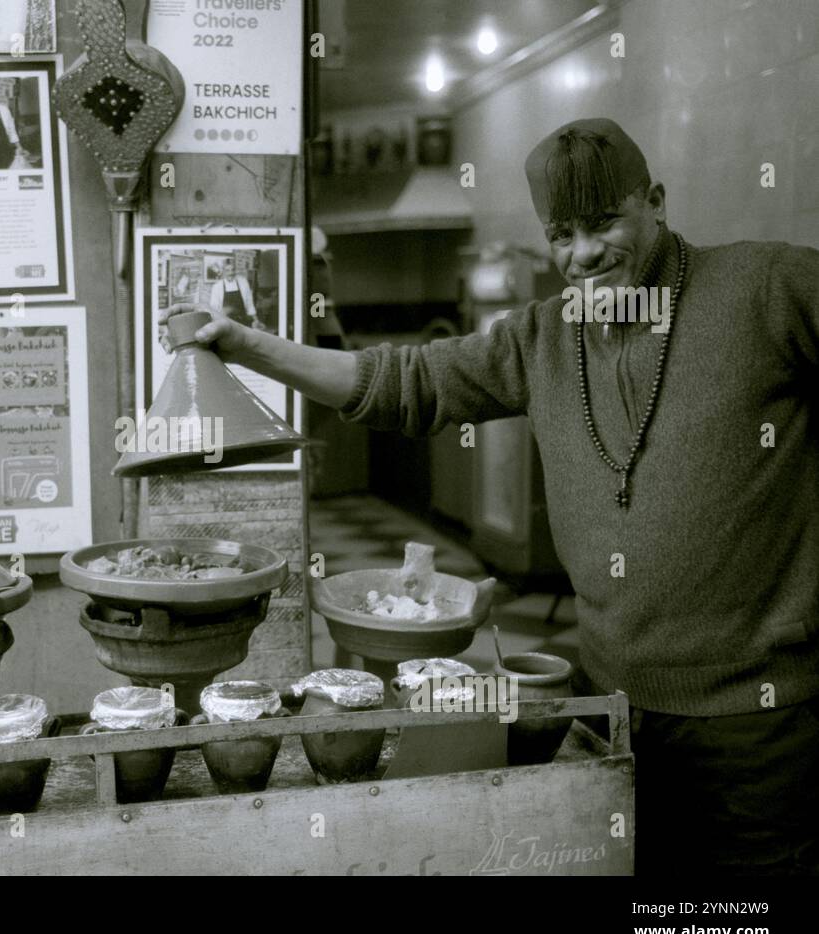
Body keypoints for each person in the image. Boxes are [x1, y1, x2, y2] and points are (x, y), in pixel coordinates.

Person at [184, 117, 819, 875]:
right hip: (611, 712)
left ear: (654, 199)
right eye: (562, 235)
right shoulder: (541, 338)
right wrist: (248, 345)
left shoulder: (769, 289)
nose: (582, 255)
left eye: (605, 223)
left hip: (760, 724)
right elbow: (400, 383)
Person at [208, 259, 260, 328]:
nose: (231, 273)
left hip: (243, 322)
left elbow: (249, 302)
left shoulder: (243, 282)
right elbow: (214, 308)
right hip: (226, 323)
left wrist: (255, 319)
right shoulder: (217, 287)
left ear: (235, 270)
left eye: (233, 269)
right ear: (223, 271)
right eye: (227, 270)